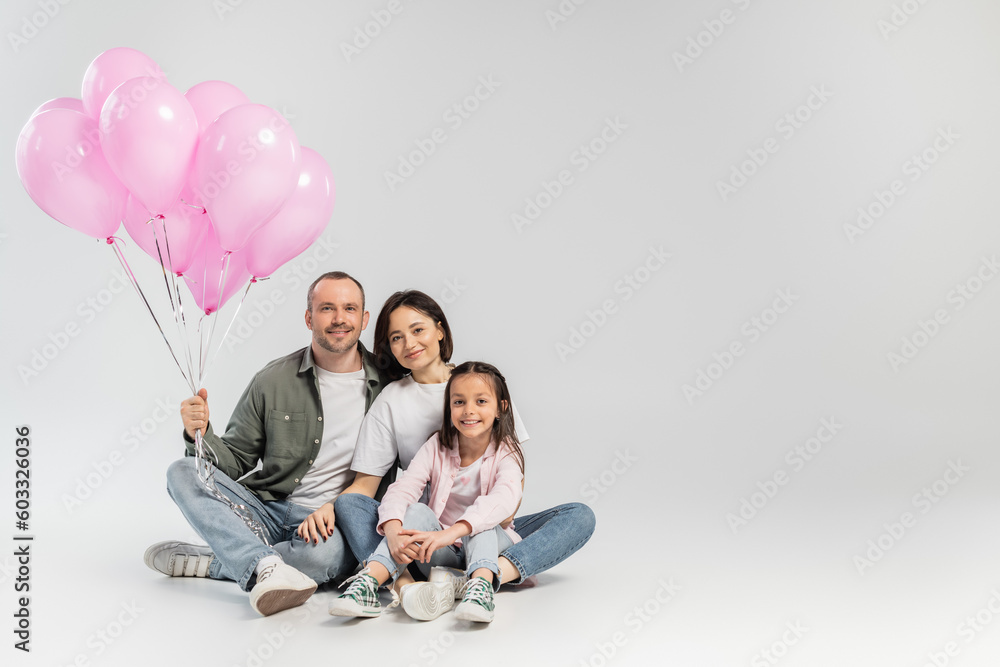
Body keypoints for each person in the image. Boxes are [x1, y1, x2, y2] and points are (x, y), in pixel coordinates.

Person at [297, 290, 595, 606]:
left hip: (490, 523)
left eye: (417, 329)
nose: (409, 343)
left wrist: (477, 525)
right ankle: (405, 584)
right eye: (396, 337)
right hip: (426, 530)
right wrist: (337, 507)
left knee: (578, 516)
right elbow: (371, 487)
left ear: (440, 330)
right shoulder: (392, 402)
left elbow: (511, 484)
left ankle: (479, 578)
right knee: (353, 505)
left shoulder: (478, 383)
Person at [143, 271, 390, 616]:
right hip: (265, 510)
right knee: (182, 471)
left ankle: (222, 562)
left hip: (333, 524)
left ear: (364, 319)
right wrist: (198, 432)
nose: (339, 319)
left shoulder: (389, 387)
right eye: (326, 308)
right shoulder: (273, 379)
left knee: (324, 558)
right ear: (309, 317)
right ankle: (264, 562)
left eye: (349, 308)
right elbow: (236, 459)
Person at [329, 361, 524, 623]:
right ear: (449, 407)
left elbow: (504, 499)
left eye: (480, 402)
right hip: (436, 552)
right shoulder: (438, 445)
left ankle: (479, 590)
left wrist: (451, 533)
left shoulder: (507, 450)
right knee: (412, 509)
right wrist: (393, 531)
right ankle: (368, 584)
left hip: (485, 546)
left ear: (501, 408)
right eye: (459, 402)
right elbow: (404, 487)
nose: (469, 411)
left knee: (483, 524)